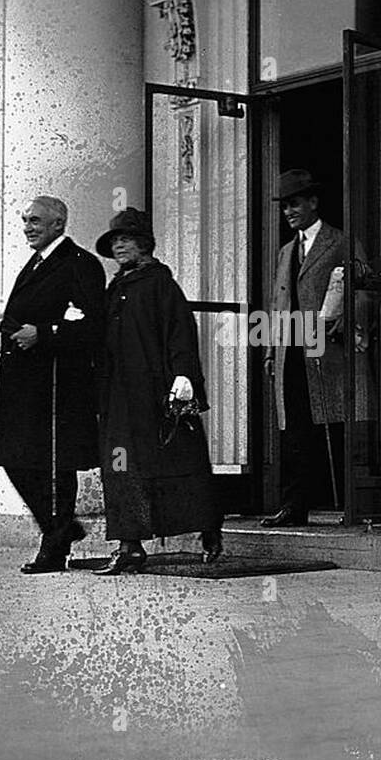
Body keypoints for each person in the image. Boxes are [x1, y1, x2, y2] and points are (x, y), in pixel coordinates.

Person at [92, 208, 224, 575]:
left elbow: (181, 332)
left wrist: (183, 376)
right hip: (119, 399)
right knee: (120, 465)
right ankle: (128, 545)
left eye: (126, 239)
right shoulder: (116, 287)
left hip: (156, 396)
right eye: (115, 240)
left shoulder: (161, 285)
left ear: (144, 244)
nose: (119, 245)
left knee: (178, 461)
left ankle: (208, 530)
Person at [0, 195, 105, 574]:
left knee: (57, 464)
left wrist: (45, 333)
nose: (28, 227)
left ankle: (53, 549)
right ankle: (62, 528)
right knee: (13, 457)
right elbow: (15, 315)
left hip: (58, 384)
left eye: (36, 220)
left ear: (59, 224)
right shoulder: (34, 264)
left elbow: (94, 325)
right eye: (25, 220)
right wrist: (17, 332)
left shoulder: (81, 264)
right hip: (23, 382)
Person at [261, 169, 355, 526]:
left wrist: (342, 325)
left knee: (335, 423)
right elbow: (276, 303)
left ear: (314, 202)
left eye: (295, 203)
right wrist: (271, 350)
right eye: (284, 206)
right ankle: (294, 506)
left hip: (327, 349)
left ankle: (348, 503)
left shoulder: (339, 241)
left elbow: (360, 291)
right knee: (295, 429)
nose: (288, 211)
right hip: (291, 350)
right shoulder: (287, 250)